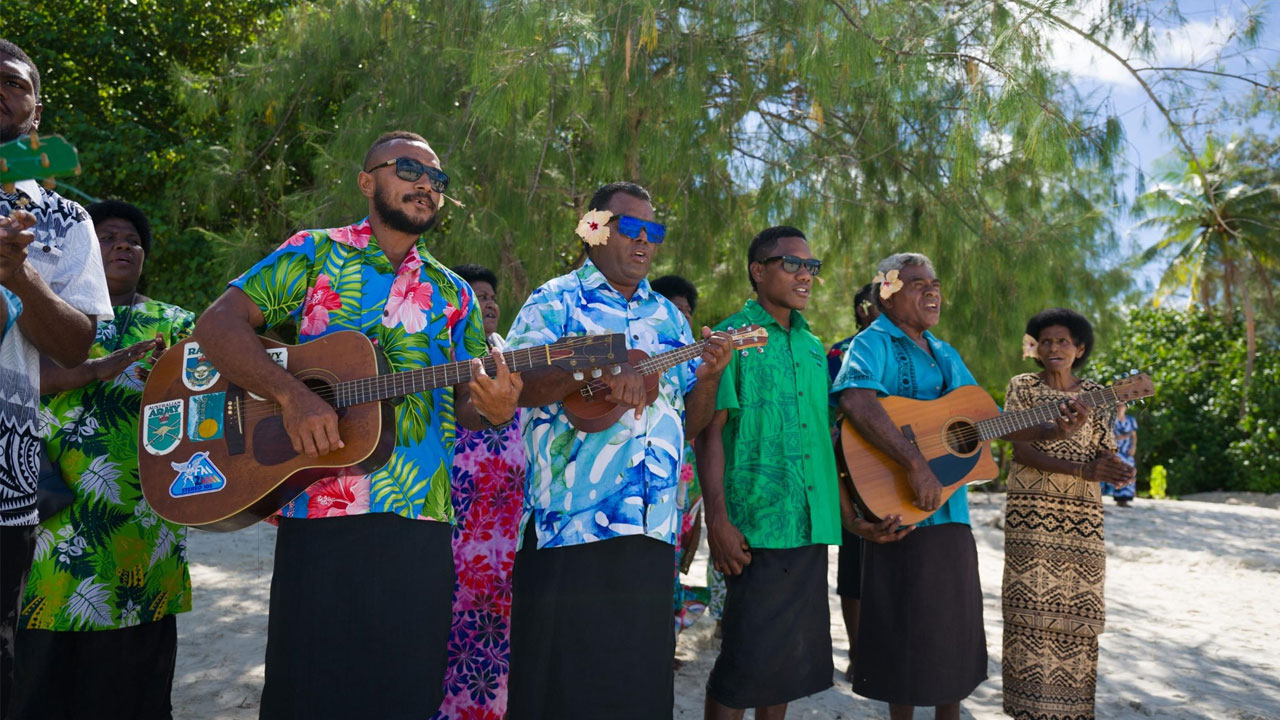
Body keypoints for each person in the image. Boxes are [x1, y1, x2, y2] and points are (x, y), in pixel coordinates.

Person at [194, 130, 522, 719]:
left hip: (421, 516)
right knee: (307, 691)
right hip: (319, 509)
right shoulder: (314, 253)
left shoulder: (454, 294)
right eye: (409, 169)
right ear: (367, 181)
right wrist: (292, 396)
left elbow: (469, 406)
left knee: (402, 693)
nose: (427, 184)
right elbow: (217, 328)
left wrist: (494, 408)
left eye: (437, 179)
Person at [504, 181, 731, 719]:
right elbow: (517, 384)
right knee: (558, 691)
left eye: (655, 232)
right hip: (569, 529)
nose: (646, 242)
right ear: (594, 229)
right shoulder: (554, 300)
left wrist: (711, 378)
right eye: (633, 228)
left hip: (651, 533)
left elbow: (689, 423)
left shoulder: (670, 321)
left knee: (632, 692)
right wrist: (597, 367)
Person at [832, 254, 1089, 720]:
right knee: (904, 637)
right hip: (900, 506)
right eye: (916, 284)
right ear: (887, 294)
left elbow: (987, 422)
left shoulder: (944, 350)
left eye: (935, 283)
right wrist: (915, 464)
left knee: (953, 634)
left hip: (950, 513)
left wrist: (1054, 430)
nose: (933, 291)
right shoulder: (874, 343)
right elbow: (855, 400)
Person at [11, 201, 193, 720]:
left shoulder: (174, 324)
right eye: (107, 236)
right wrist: (94, 370)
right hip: (48, 535)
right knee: (37, 694)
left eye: (132, 239)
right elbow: (21, 375)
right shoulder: (41, 314)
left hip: (141, 537)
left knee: (133, 696)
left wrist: (176, 379)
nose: (122, 244)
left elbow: (211, 407)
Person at [0, 38, 114, 718]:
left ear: (35, 110)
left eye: (13, 82)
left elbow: (74, 346)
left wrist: (20, 277)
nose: (0, 91)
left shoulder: (65, 218)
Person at [698, 226, 843, 720]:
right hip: (752, 528)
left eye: (812, 266)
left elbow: (820, 443)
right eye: (792, 264)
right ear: (759, 271)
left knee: (783, 665)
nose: (806, 274)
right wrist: (717, 520)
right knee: (742, 666)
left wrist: (844, 515)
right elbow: (709, 432)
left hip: (807, 527)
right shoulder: (730, 337)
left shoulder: (812, 348)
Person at [1001, 308, 1136, 720]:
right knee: (1029, 615)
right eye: (1045, 341)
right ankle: (1025, 711)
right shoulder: (1022, 387)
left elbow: (1103, 454)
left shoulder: (1096, 395)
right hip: (1031, 518)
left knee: (1077, 614)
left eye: (1063, 341)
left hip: (1081, 522)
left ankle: (1072, 711)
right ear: (1036, 350)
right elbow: (1021, 449)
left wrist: (1117, 470)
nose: (1053, 347)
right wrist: (1084, 470)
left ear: (1079, 349)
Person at [432, 263, 526, 720]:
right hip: (458, 514)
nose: (487, 302)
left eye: (491, 296)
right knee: (450, 620)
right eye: (476, 294)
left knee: (496, 624)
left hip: (507, 520)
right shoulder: (445, 350)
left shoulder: (512, 353)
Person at [825, 281, 880, 682]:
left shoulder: (922, 349)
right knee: (855, 566)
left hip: (908, 472)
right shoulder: (838, 353)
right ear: (860, 309)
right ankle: (860, 652)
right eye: (872, 302)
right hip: (852, 471)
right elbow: (827, 411)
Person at [651, 273, 710, 640]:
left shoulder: (694, 360)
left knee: (676, 560)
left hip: (681, 489)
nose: (682, 316)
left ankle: (667, 641)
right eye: (675, 308)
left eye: (687, 310)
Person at [1107, 402, 1138, 506]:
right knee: (1118, 471)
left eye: (1122, 406)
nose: (1120, 408)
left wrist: (1133, 447)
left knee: (1129, 470)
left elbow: (1134, 435)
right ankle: (1117, 496)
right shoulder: (1110, 419)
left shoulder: (1130, 420)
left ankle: (1125, 498)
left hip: (1127, 450)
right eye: (1118, 406)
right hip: (1115, 449)